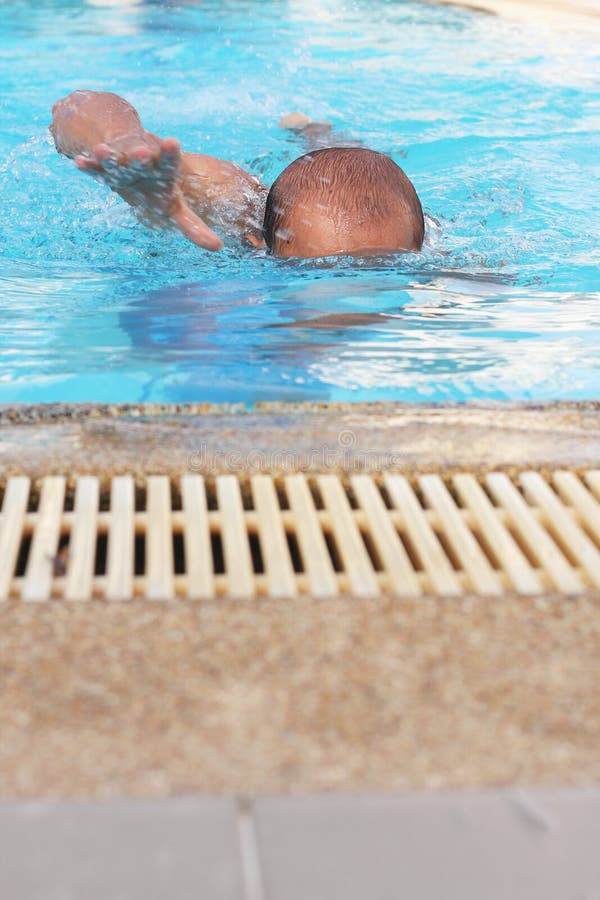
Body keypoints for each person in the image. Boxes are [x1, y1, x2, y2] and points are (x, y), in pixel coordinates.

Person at [50, 91, 424, 259]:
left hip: (357, 183)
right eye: (312, 275)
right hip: (276, 193)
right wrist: (127, 143)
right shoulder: (237, 202)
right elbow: (77, 107)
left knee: (353, 156)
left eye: (382, 272)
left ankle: (314, 131)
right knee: (317, 149)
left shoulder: (409, 233)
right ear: (260, 244)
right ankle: (306, 129)